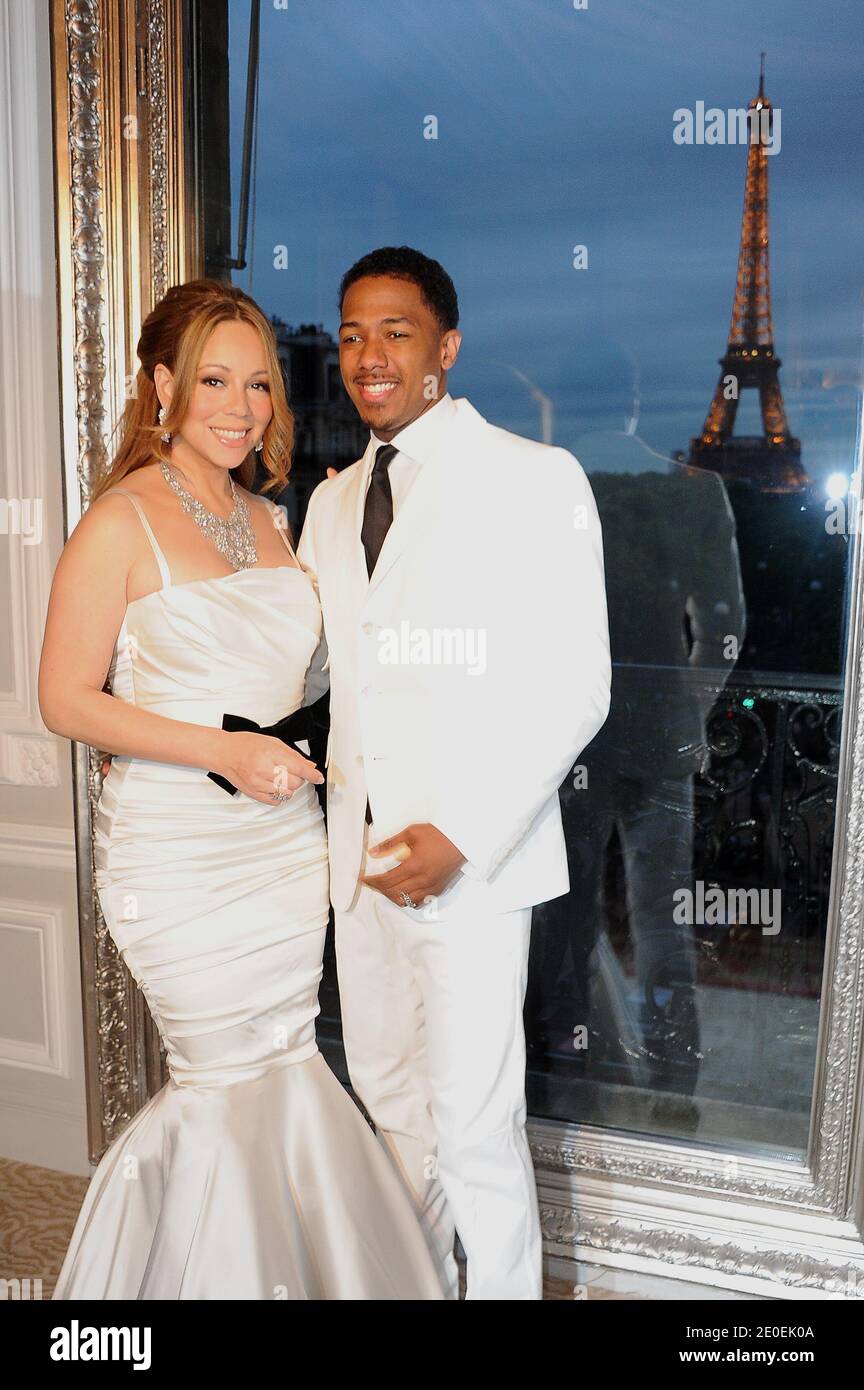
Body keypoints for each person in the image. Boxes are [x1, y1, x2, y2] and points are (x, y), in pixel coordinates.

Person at [40, 278, 444, 1300]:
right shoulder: (118, 522)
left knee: (286, 1066)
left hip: (280, 851)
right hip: (176, 860)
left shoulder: (274, 521)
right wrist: (219, 752)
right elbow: (64, 700)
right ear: (163, 384)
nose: (240, 405)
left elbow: (307, 683)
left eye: (259, 383)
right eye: (214, 379)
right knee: (219, 1082)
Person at [297, 246, 612, 1300]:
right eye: (349, 333)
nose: (368, 353)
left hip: (474, 864)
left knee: (477, 1125)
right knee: (392, 1107)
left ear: (447, 346)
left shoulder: (534, 478)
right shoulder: (330, 504)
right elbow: (331, 682)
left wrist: (460, 834)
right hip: (362, 865)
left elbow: (577, 687)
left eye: (394, 330)